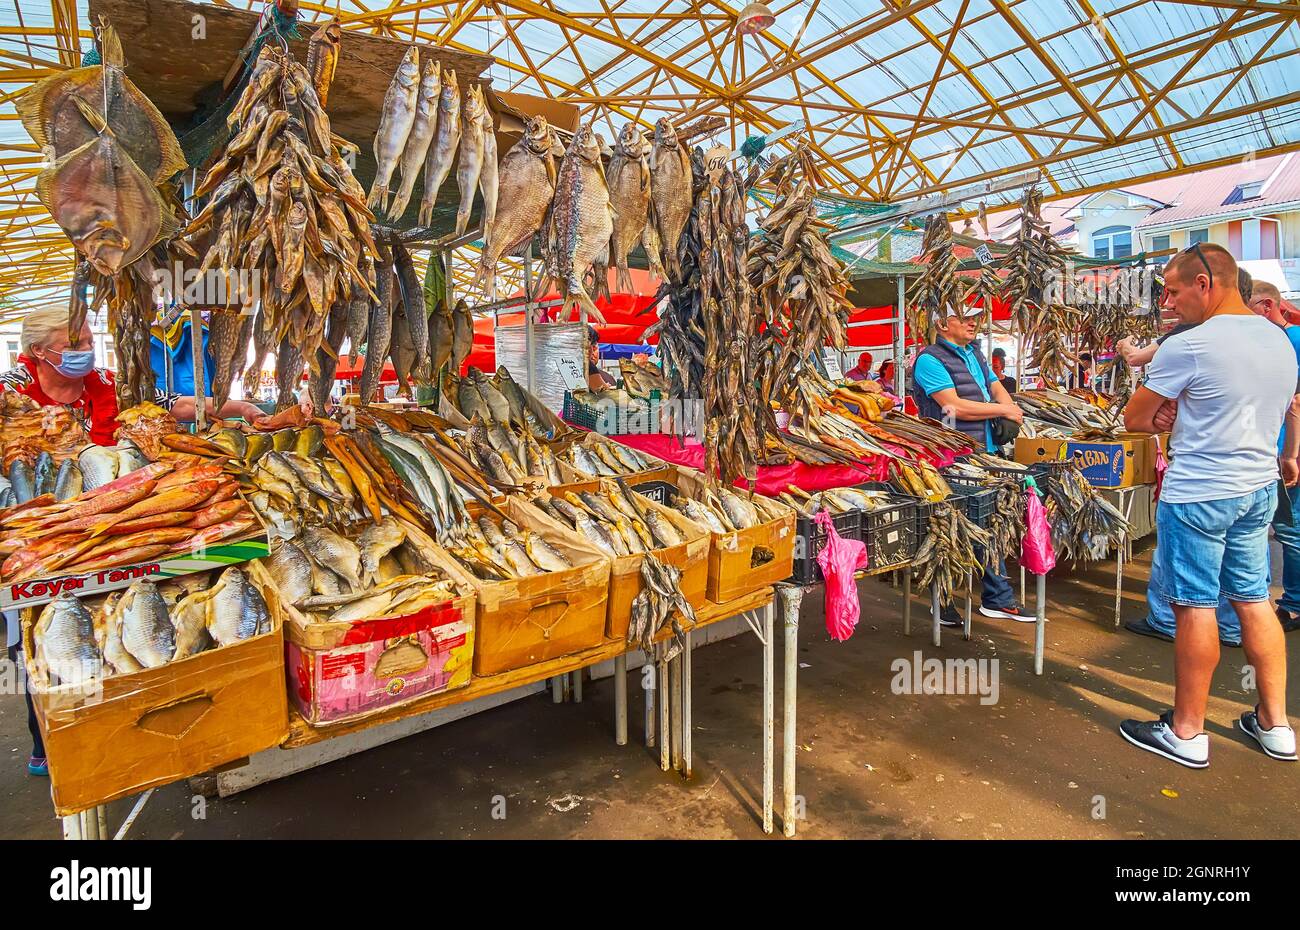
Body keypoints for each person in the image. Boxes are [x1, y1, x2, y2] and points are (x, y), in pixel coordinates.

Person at [1120, 243, 1298, 767]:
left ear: (1205, 283)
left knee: (1194, 605)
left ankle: (1188, 732)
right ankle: (1276, 724)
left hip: (1200, 492)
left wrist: (1164, 413)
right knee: (1253, 598)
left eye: (1174, 292)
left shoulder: (1190, 346)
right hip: (1258, 487)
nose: (1169, 304)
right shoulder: (1279, 339)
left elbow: (1136, 417)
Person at [910, 305, 1029, 624]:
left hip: (984, 454)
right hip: (950, 457)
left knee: (989, 526)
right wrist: (999, 411)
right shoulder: (929, 360)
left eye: (974, 315)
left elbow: (997, 387)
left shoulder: (974, 354)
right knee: (947, 530)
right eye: (962, 317)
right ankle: (946, 600)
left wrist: (1009, 408)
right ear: (941, 323)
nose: (972, 321)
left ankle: (996, 597)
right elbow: (954, 407)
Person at [0, 306, 265, 444]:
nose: (86, 351)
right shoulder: (9, 391)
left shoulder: (111, 383)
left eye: (89, 343)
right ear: (38, 350)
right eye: (74, 345)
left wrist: (243, 407)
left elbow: (177, 404)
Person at [1249, 280, 1300, 634]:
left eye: (1247, 307)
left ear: (1268, 306)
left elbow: (1295, 403)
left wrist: (1291, 453)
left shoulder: (1289, 341)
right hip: (1273, 449)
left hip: (1285, 452)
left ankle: (1293, 604)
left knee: (1288, 527)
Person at [586, 325, 615, 391]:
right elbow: (601, 390)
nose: (592, 351)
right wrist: (605, 387)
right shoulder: (588, 366)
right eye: (592, 345)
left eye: (594, 348)